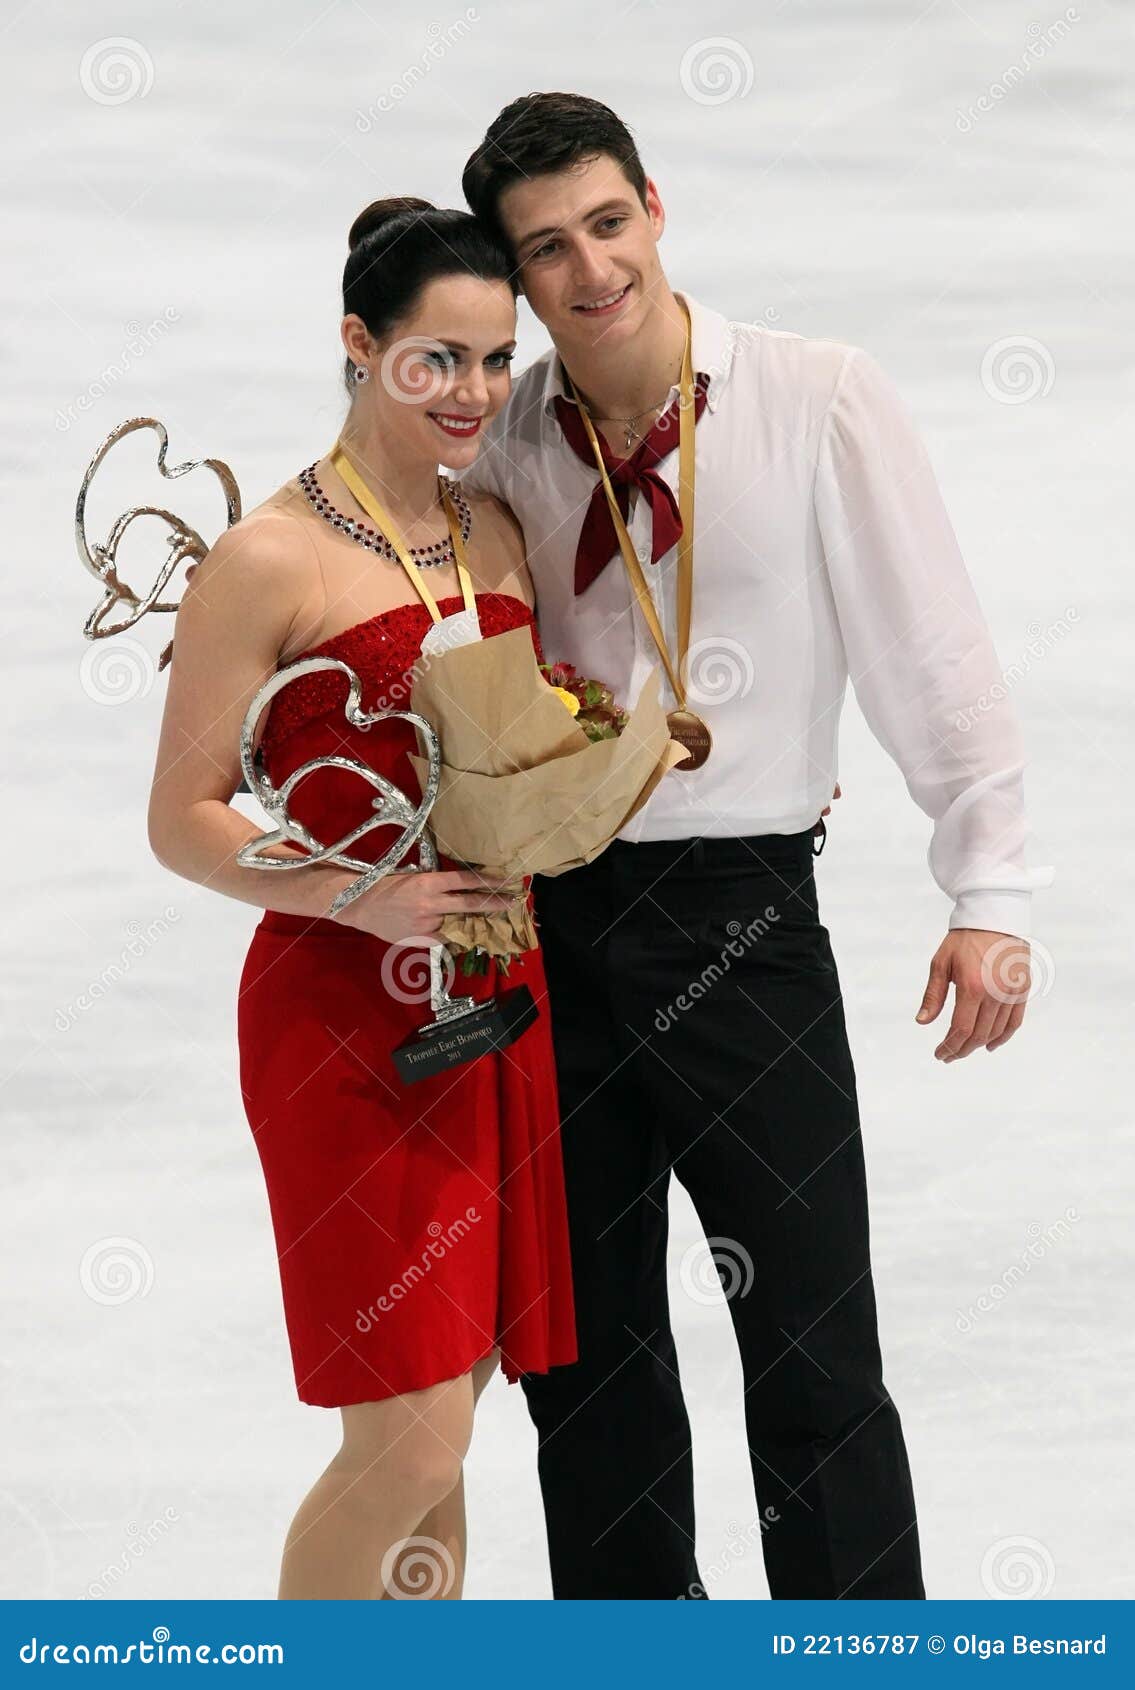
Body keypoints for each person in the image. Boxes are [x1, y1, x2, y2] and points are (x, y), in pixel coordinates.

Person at [456, 92, 1051, 1599]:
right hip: (547, 932)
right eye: (548, 251)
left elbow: (936, 649)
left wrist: (985, 886)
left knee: (810, 1345)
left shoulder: (816, 395)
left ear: (656, 208)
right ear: (517, 280)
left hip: (740, 921)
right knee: (585, 1368)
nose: (591, 271)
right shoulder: (511, 439)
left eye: (607, 223)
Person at [146, 196, 577, 1599]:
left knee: (444, 1427)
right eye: (435, 360)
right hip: (344, 1018)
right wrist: (362, 898)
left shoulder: (495, 534)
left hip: (493, 1008)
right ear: (358, 346)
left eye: (494, 360)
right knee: (401, 1442)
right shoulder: (268, 557)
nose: (472, 393)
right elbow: (185, 823)